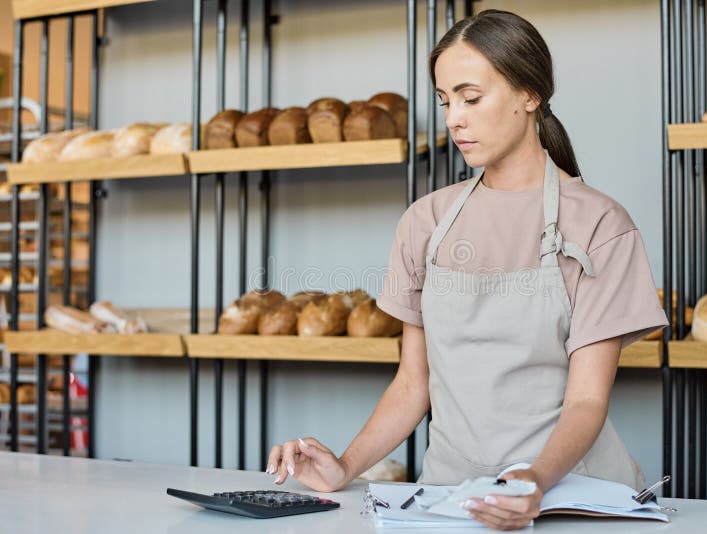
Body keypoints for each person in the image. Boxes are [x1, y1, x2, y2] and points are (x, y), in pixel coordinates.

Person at [267, 9, 668, 531]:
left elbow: (587, 399)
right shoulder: (425, 221)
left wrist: (533, 482)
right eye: (445, 101)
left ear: (530, 95)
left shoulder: (598, 222)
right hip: (447, 502)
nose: (454, 117)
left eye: (471, 98)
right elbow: (415, 383)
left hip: (569, 500)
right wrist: (345, 466)